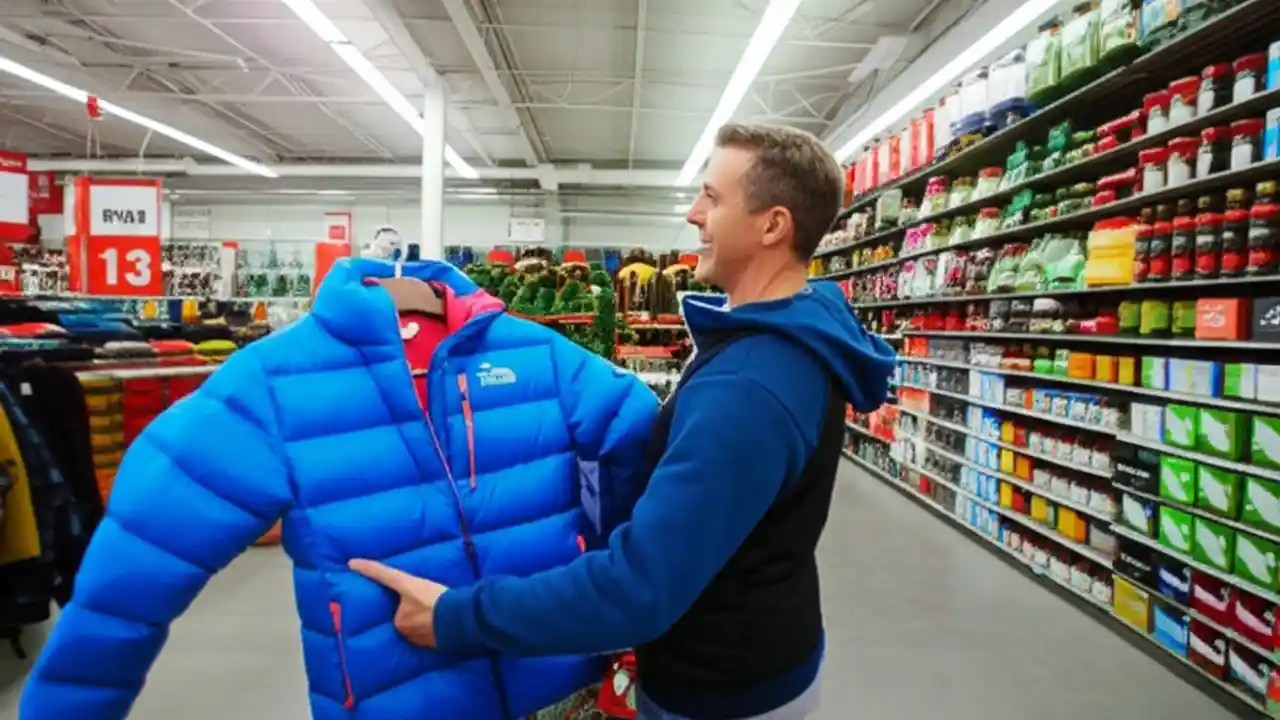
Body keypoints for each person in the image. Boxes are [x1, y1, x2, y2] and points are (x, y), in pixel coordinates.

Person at [351, 123, 898, 719]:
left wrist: (456, 616)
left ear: (773, 225)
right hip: (762, 642)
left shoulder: (749, 388)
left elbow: (641, 589)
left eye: (712, 198)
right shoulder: (780, 335)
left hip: (720, 692)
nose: (693, 214)